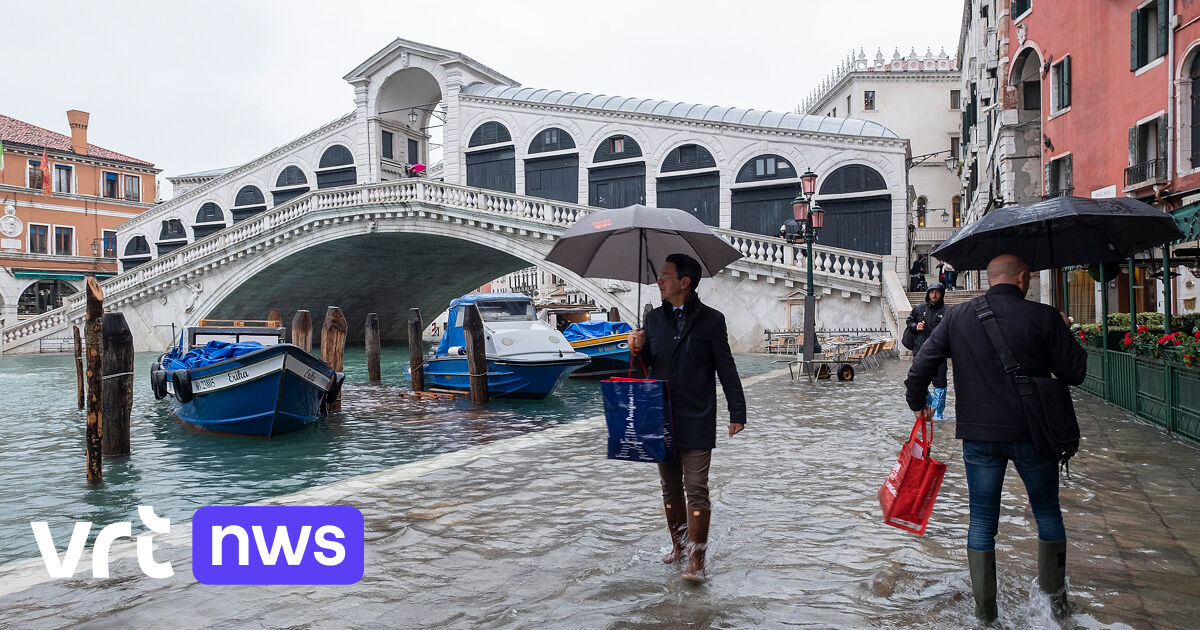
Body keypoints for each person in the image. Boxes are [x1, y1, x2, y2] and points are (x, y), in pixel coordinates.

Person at [903, 254, 1087, 623]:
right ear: (1021, 279)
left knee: (982, 520)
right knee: (1047, 512)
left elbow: (920, 364)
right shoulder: (1044, 316)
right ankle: (1056, 608)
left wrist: (918, 403)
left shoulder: (957, 317)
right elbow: (1075, 373)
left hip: (980, 434)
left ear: (990, 279)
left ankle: (986, 616)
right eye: (1029, 277)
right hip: (1035, 433)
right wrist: (1065, 328)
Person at [629, 253, 747, 583]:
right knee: (669, 488)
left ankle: (697, 559)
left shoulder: (712, 320)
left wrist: (737, 411)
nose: (659, 280)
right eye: (660, 275)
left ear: (685, 282)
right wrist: (637, 349)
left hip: (697, 414)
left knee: (695, 488)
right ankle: (678, 547)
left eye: (666, 275)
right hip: (661, 416)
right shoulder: (652, 321)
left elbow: (726, 366)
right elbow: (647, 367)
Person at [905, 282, 949, 420]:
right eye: (931, 292)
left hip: (940, 353)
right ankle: (927, 404)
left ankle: (937, 414)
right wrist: (915, 326)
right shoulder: (919, 308)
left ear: (941, 294)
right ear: (927, 293)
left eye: (937, 292)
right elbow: (909, 321)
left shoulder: (947, 311)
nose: (934, 295)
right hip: (920, 352)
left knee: (940, 383)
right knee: (918, 381)